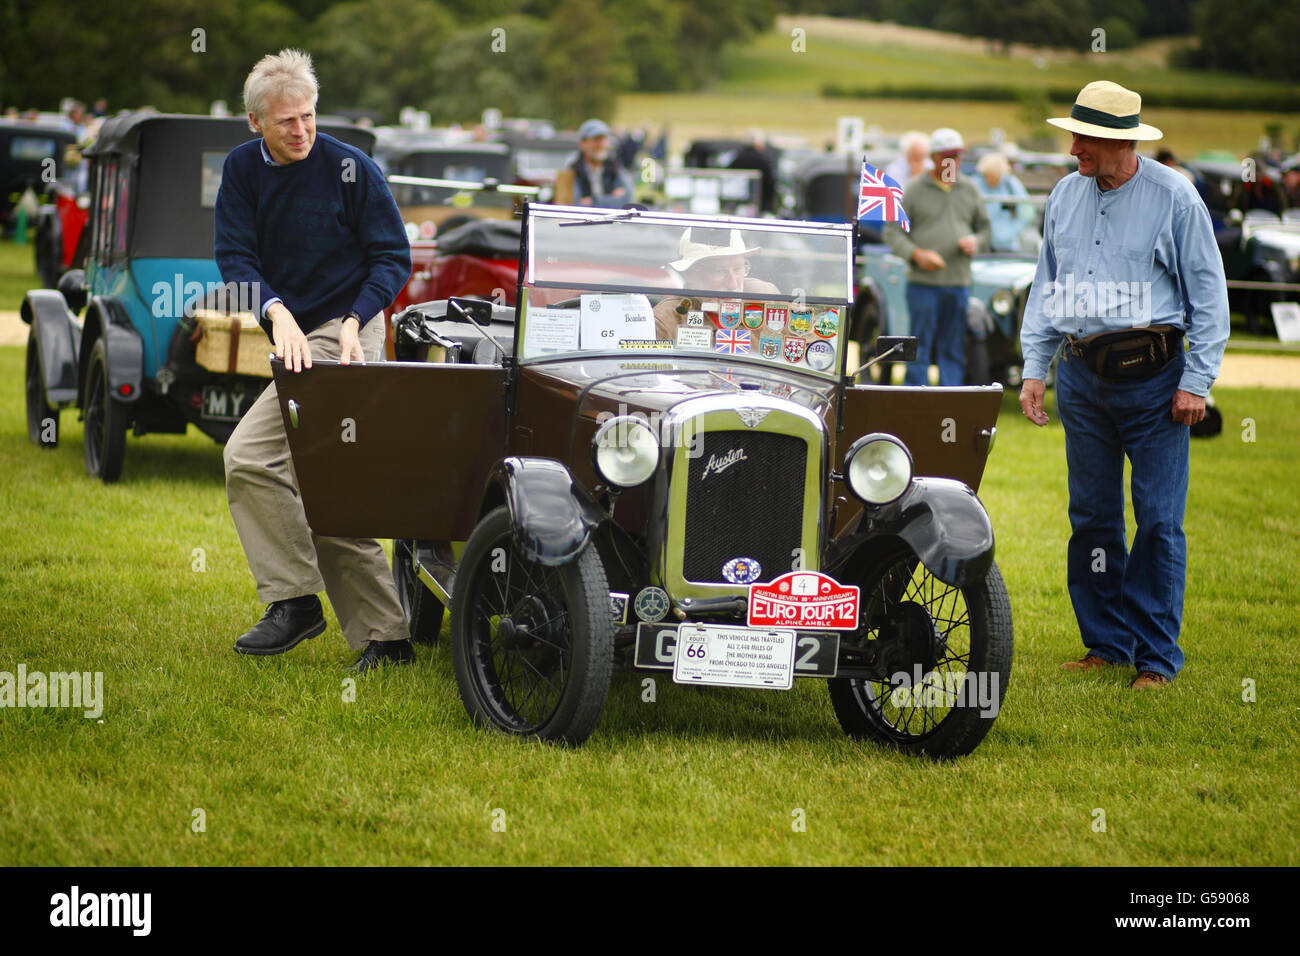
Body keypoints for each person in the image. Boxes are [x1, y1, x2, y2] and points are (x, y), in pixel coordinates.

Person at [1018, 80, 1229, 690]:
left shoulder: (1176, 198)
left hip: (1156, 383)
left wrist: (1197, 379)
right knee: (1092, 519)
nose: (1074, 147)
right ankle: (1106, 644)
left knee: (1158, 519)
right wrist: (1037, 367)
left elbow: (1209, 294)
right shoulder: (1064, 194)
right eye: (1075, 134)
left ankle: (1156, 659)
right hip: (1082, 379)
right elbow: (1046, 286)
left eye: (1083, 137)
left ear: (1118, 141)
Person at [214, 49, 415, 671]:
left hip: (349, 328)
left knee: (252, 456)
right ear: (255, 124)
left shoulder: (354, 170)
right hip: (292, 327)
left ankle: (299, 604)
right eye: (285, 123)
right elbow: (235, 260)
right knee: (320, 475)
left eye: (308, 117)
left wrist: (355, 322)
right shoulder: (241, 171)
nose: (301, 132)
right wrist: (276, 314)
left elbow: (392, 259)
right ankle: (382, 636)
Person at [882, 127, 990, 386]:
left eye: (957, 156)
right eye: (946, 156)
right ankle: (917, 396)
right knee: (919, 344)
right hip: (923, 284)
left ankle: (950, 397)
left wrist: (976, 241)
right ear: (934, 157)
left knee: (953, 347)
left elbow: (985, 228)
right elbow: (892, 231)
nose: (953, 161)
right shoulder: (915, 189)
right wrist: (916, 254)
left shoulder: (970, 189)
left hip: (958, 283)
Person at [653, 228, 779, 339]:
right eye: (718, 271)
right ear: (689, 275)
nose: (733, 284)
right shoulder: (666, 320)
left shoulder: (765, 297)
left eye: (738, 269)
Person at [975, 151, 1035, 252]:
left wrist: (1014, 230)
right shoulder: (975, 184)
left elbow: (1027, 212)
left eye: (993, 175)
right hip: (981, 247)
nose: (988, 179)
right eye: (986, 175)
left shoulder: (1011, 185)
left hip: (1007, 246)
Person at [570, 118, 635, 208]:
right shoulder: (572, 170)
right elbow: (571, 205)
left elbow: (626, 199)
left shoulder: (615, 168)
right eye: (596, 139)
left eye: (604, 139)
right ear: (583, 143)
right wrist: (611, 199)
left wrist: (593, 201)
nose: (601, 144)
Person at [727, 129, 776, 214]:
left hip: (738, 204)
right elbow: (770, 184)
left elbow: (728, 178)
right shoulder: (763, 160)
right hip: (761, 205)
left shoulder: (737, 158)